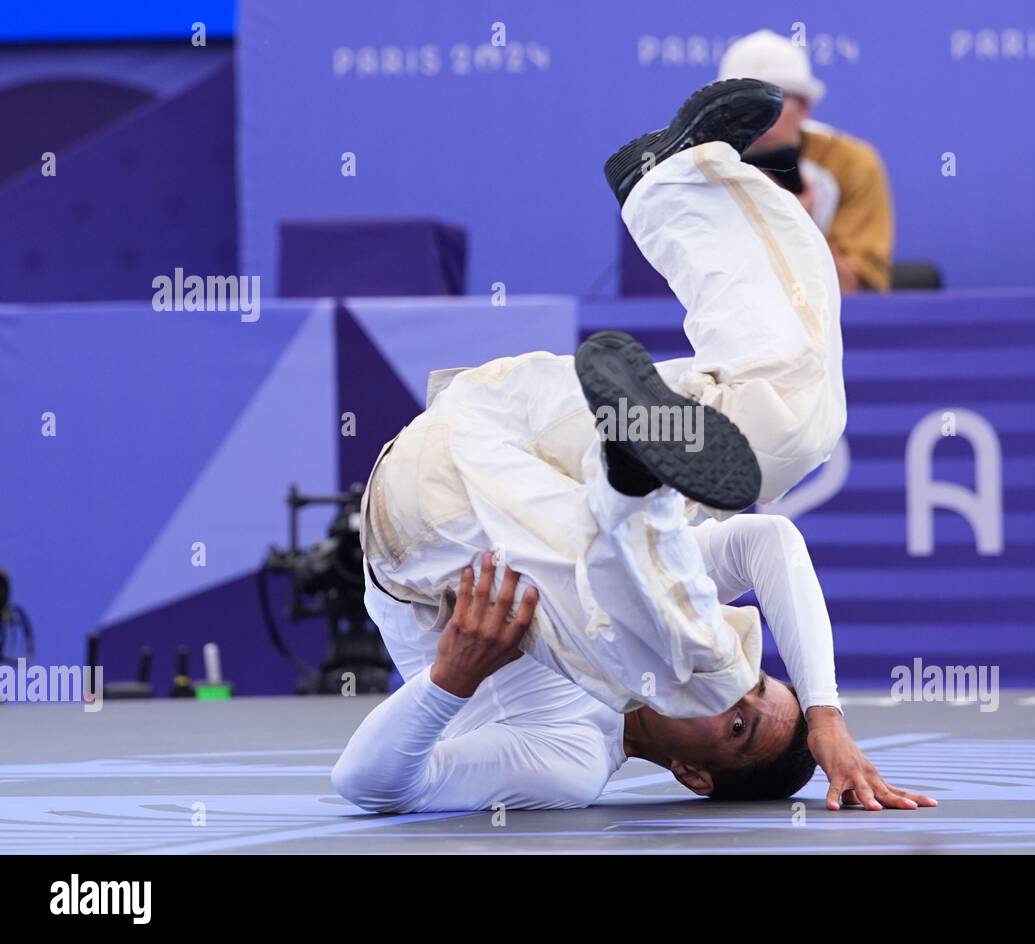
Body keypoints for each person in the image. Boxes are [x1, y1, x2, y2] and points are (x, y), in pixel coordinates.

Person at [332, 79, 936, 812]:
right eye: (756, 679)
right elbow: (769, 543)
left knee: (659, 655)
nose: (739, 685)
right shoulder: (689, 614)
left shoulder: (567, 761)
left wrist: (449, 680)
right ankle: (669, 180)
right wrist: (827, 711)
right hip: (504, 413)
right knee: (796, 423)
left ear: (693, 776)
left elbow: (364, 786)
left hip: (430, 518)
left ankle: (628, 486)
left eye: (739, 723)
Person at [718, 29, 895, 294]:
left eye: (773, 100)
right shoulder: (697, 170)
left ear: (805, 107)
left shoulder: (853, 164)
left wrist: (794, 226)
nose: (758, 117)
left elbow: (855, 290)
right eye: (743, 104)